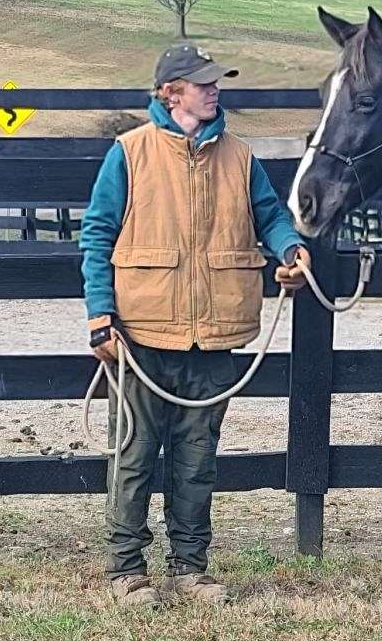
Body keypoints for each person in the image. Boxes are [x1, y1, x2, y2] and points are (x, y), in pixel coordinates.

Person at [80, 42, 312, 607]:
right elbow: (97, 235)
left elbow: (272, 217)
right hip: (141, 336)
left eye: (216, 82)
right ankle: (125, 570)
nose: (215, 89)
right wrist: (99, 317)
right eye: (203, 82)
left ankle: (191, 568)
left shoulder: (240, 155)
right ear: (170, 92)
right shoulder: (129, 153)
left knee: (196, 460)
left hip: (213, 338)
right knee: (133, 458)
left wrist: (289, 250)